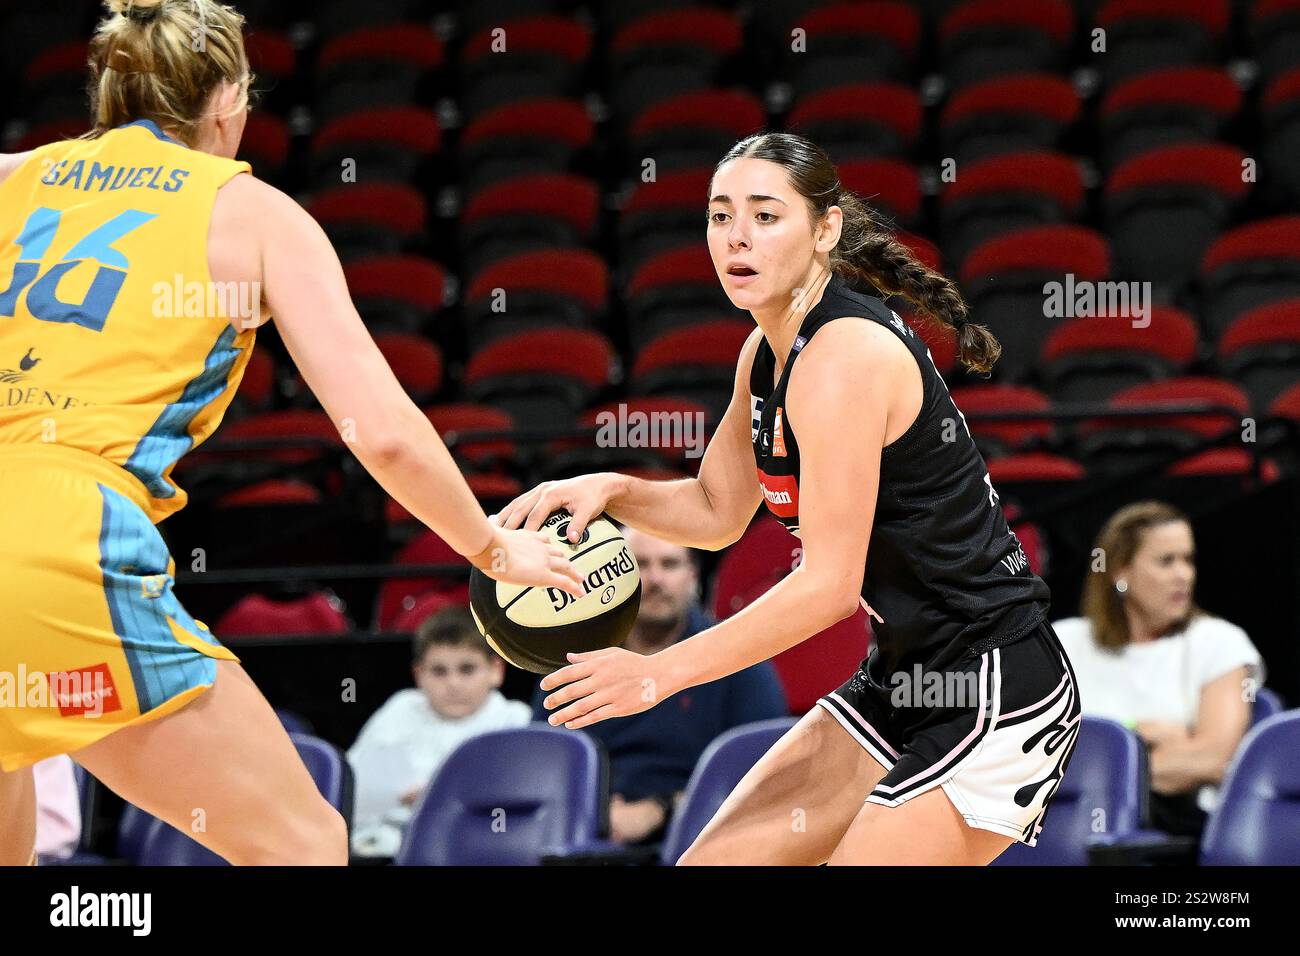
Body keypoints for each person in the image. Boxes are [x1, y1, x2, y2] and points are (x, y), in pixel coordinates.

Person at [0, 0, 583, 867]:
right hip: (57, 537)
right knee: (304, 845)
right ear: (230, 98)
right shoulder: (254, 214)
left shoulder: (12, 176)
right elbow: (381, 433)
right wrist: (492, 551)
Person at [498, 132, 1082, 865]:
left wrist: (660, 670)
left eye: (765, 215)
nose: (736, 236)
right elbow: (716, 511)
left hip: (995, 687)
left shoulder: (843, 357)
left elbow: (829, 588)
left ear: (825, 229)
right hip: (902, 678)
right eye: (719, 215)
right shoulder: (767, 351)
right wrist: (613, 489)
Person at [529, 527, 787, 845]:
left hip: (705, 837)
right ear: (612, 575)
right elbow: (542, 765)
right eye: (640, 564)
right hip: (582, 839)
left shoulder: (740, 661)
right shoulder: (576, 661)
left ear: (692, 575)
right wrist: (593, 811)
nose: (656, 579)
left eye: (669, 564)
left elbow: (761, 779)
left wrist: (660, 809)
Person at [1053, 501, 1265, 838]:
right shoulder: (1065, 641)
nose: (1184, 575)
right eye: (1166, 561)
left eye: (1188, 560)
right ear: (1120, 571)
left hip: (1171, 831)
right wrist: (1140, 735)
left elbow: (1216, 759)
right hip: (1060, 823)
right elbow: (1027, 755)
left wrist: (1096, 764)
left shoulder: (1218, 641)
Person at [348, 608, 532, 858]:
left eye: (467, 669)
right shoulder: (401, 708)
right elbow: (355, 781)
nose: (453, 683)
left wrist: (438, 796)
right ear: (419, 675)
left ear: (496, 670)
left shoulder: (514, 718)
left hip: (480, 847)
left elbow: (518, 798)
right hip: (388, 844)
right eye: (439, 671)